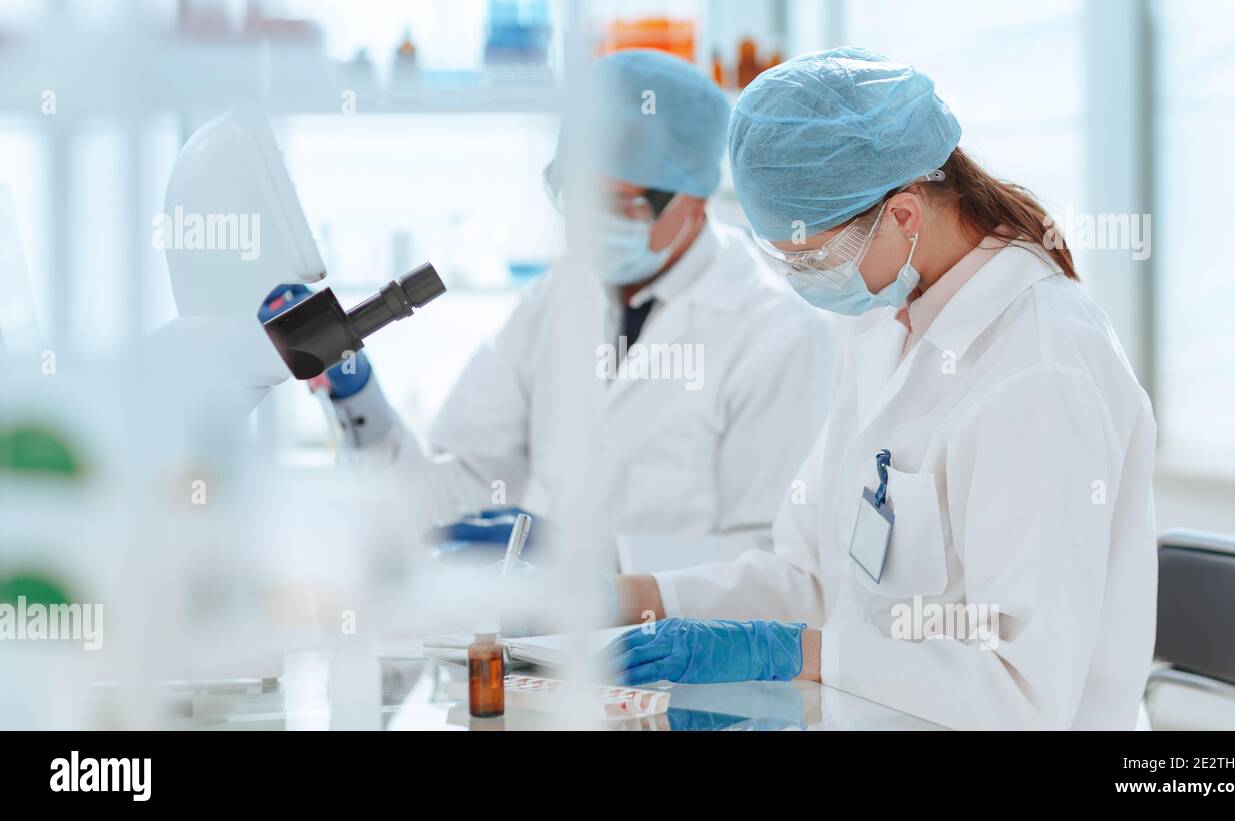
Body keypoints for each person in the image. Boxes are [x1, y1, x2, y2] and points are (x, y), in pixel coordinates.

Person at [604, 47, 1158, 731]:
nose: (800, 281)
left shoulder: (1040, 367)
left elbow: (1021, 695)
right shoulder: (883, 323)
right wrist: (642, 595)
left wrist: (799, 653)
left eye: (814, 258)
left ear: (902, 215)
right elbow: (813, 577)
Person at [267, 49, 834, 578]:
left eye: (615, 204)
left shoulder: (778, 332)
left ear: (693, 198)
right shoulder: (559, 296)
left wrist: (595, 559)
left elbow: (774, 568)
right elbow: (456, 486)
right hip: (543, 659)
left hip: (689, 677)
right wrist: (359, 399)